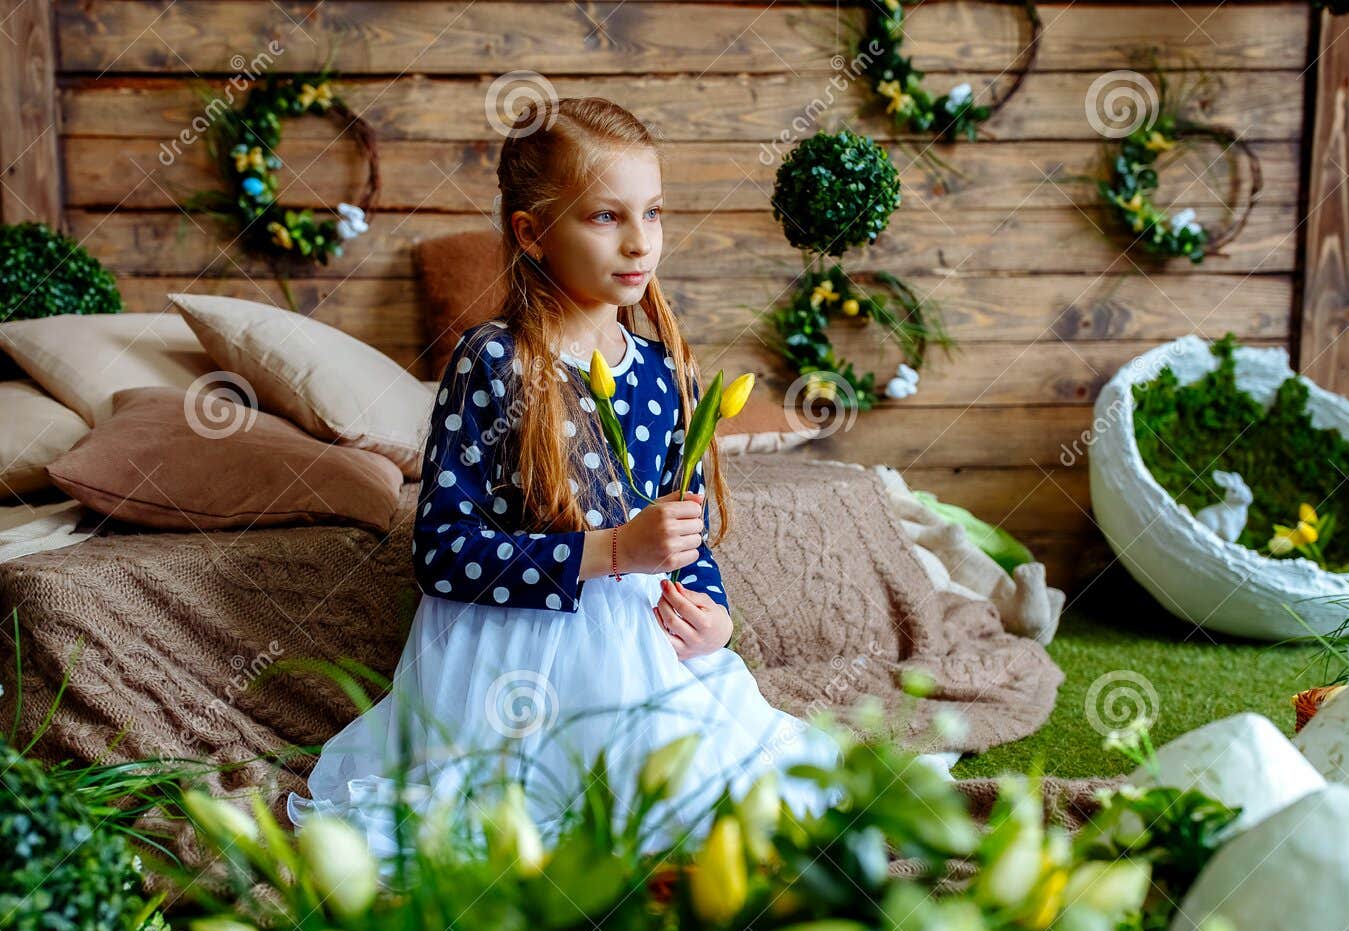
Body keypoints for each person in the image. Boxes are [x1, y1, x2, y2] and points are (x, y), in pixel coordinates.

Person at [291, 97, 945, 859]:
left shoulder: (664, 371)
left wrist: (714, 615)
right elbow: (439, 553)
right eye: (605, 217)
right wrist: (609, 554)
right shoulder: (494, 361)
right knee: (581, 824)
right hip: (517, 653)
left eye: (655, 213)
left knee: (746, 803)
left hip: (642, 637)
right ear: (531, 233)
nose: (640, 242)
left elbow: (679, 530)